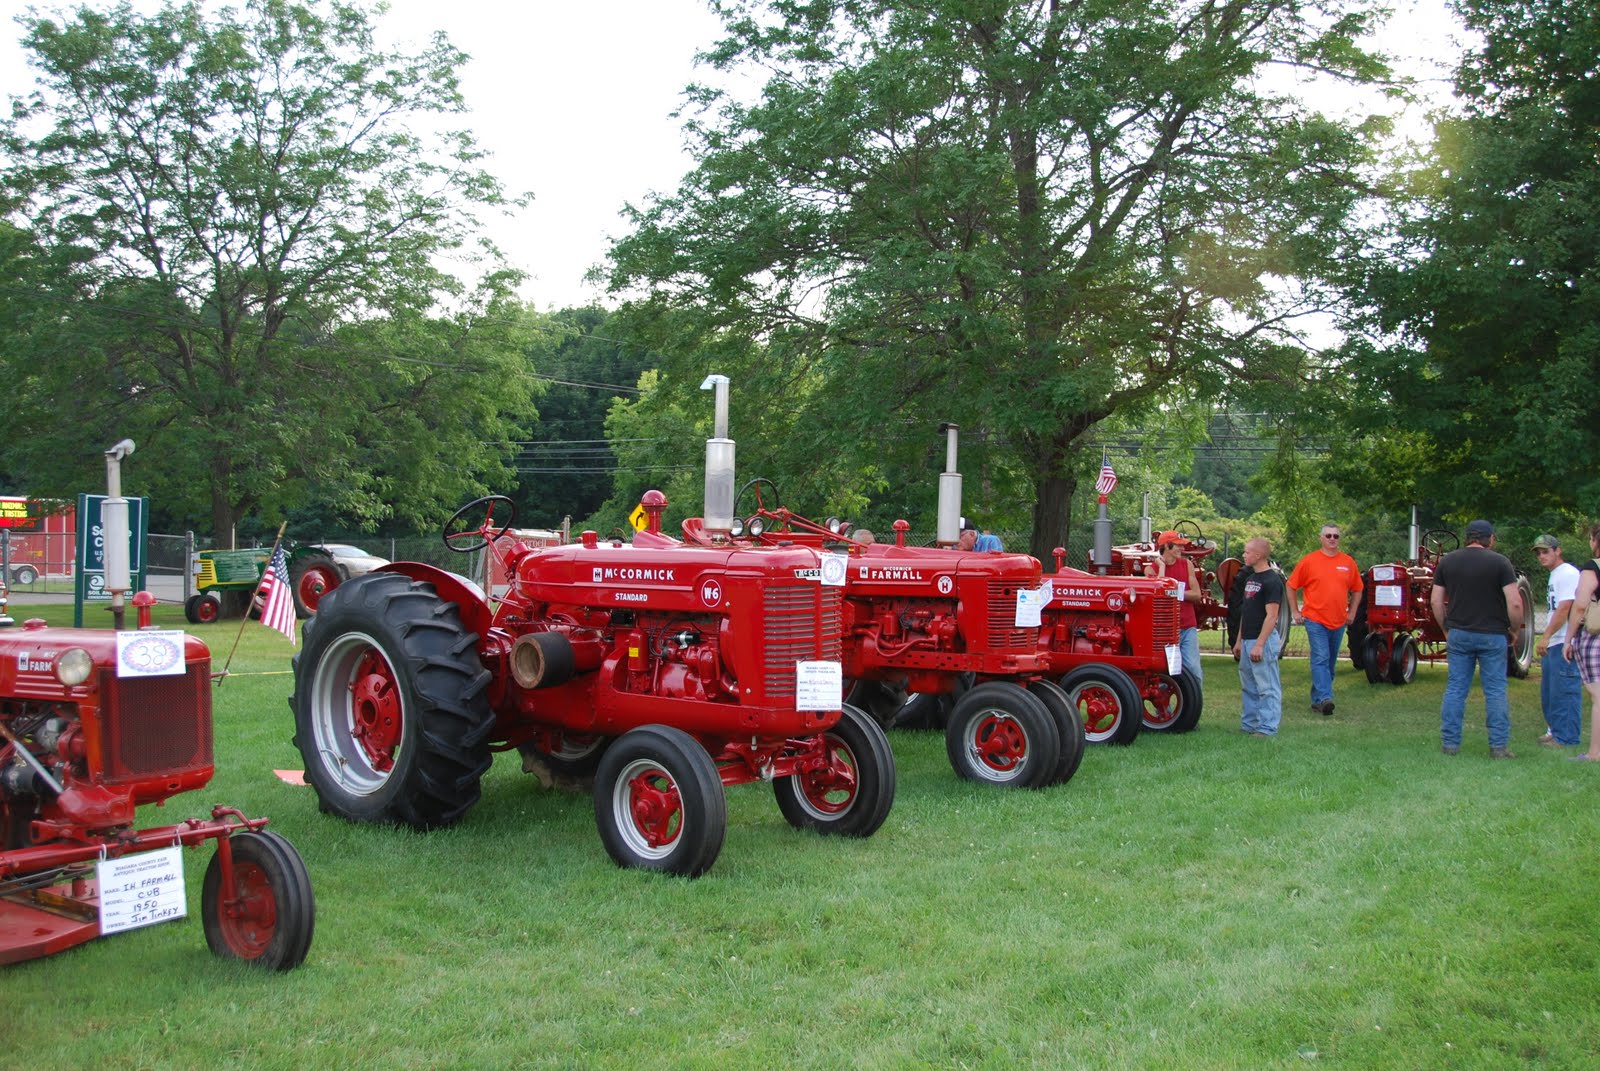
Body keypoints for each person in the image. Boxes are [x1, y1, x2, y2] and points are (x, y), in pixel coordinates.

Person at [1430, 519, 1521, 758]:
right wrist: (1514, 629)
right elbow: (1514, 602)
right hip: (1492, 635)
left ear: (1468, 537)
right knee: (1495, 690)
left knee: (1456, 689)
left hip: (1459, 633)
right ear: (1490, 538)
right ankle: (1498, 747)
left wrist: (1445, 629)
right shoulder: (1500, 562)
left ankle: (1450, 745)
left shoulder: (1448, 561)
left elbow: (1435, 601)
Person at [1287, 524, 1364, 716]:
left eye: (1336, 536)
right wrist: (1295, 611)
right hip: (1315, 618)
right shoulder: (1309, 561)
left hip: (1338, 620)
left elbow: (1358, 589)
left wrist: (1352, 612)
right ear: (1321, 538)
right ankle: (1325, 698)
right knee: (1320, 657)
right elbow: (1291, 586)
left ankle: (1317, 700)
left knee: (1329, 662)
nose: (1332, 539)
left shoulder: (1348, 562)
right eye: (1328, 535)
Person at [1533, 534, 1582, 748]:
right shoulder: (1555, 575)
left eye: (1546, 551)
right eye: (1539, 553)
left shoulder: (1568, 573)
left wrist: (1546, 636)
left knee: (1565, 689)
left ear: (1558, 551)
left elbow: (1565, 607)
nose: (1541, 556)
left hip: (1564, 641)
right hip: (1556, 642)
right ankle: (1555, 731)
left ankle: (1567, 737)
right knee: (1551, 692)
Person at [1232, 537, 1284, 735]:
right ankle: (1249, 724)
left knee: (1267, 685)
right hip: (1247, 640)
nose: (1244, 555)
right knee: (1249, 685)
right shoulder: (1250, 579)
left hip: (1262, 641)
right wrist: (1239, 641)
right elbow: (1247, 612)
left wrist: (1260, 644)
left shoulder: (1272, 581)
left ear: (1258, 555)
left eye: (1247, 552)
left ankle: (1267, 727)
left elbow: (1272, 616)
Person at [1144, 530, 1203, 683]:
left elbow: (1197, 594)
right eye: (1178, 546)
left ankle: (1194, 704)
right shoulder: (1151, 569)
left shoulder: (1186, 564)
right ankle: (1165, 707)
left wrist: (1174, 592)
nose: (1181, 549)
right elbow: (1160, 593)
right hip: (1166, 630)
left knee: (1193, 670)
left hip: (1188, 626)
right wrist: (1162, 568)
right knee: (1168, 671)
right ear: (1167, 546)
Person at [1562, 523, 1600, 762]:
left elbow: (1581, 605)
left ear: (1595, 540)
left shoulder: (1592, 567)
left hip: (1595, 638)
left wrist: (1568, 639)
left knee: (1598, 697)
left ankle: (1595, 753)